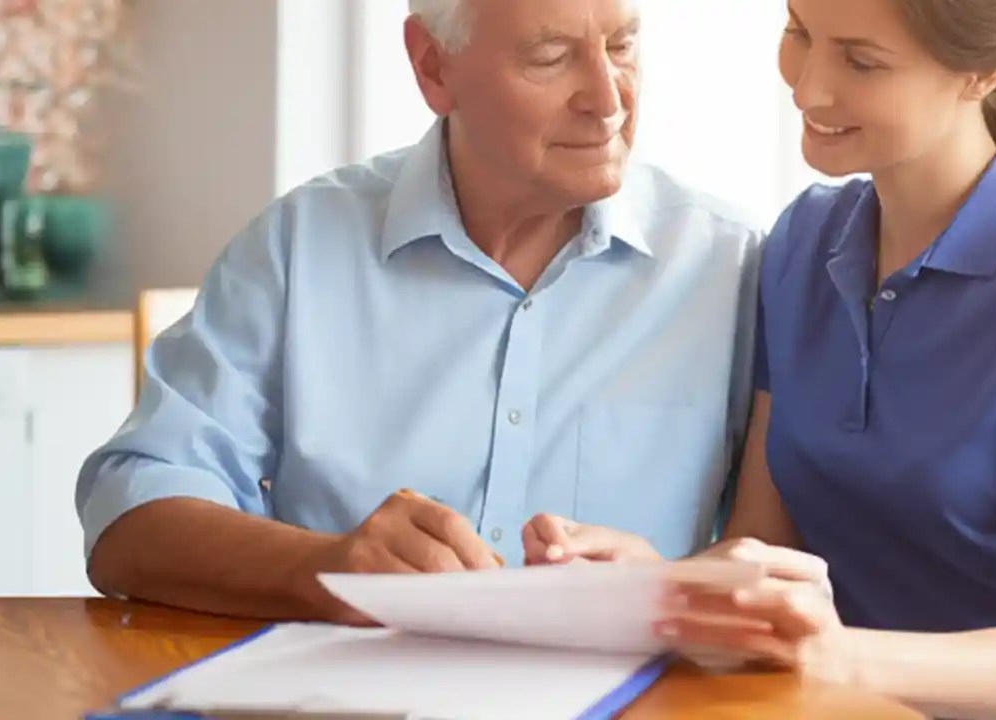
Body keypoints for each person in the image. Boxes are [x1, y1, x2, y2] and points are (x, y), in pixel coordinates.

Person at [527, 0, 996, 717]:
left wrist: (838, 655)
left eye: (861, 61)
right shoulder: (803, 242)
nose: (808, 88)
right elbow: (766, 549)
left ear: (980, 73)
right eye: (800, 33)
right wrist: (657, 588)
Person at [75, 0, 760, 624]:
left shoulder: (732, 268)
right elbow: (129, 518)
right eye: (550, 57)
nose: (608, 101)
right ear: (433, 66)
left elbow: (790, 572)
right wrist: (322, 570)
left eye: (621, 46)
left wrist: (666, 585)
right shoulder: (300, 246)